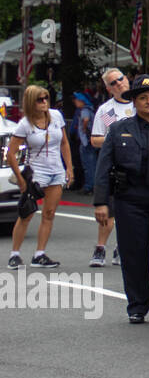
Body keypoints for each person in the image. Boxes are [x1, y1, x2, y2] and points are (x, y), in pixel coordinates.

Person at [93, 75, 149, 322]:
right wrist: (101, 202)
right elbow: (104, 167)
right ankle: (138, 305)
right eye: (143, 98)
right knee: (134, 254)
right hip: (130, 199)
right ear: (135, 102)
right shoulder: (119, 129)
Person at [6, 85, 72, 269]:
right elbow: (10, 154)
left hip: (56, 170)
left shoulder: (56, 116)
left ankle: (40, 253)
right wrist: (20, 179)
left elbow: (64, 143)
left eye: (46, 98)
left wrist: (69, 168)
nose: (44, 102)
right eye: (39, 99)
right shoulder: (24, 124)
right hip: (37, 172)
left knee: (49, 213)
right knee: (26, 213)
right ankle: (15, 254)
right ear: (31, 102)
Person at [89, 68, 135, 267]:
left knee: (132, 212)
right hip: (114, 166)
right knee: (108, 211)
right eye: (114, 83)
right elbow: (95, 139)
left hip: (137, 165)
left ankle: (122, 247)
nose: (119, 84)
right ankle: (100, 248)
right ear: (109, 89)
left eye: (121, 79)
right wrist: (116, 140)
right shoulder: (106, 111)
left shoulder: (141, 103)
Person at [73, 92, 96, 193]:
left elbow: (85, 119)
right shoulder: (91, 108)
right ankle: (93, 185)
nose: (75, 102)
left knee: (87, 165)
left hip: (85, 141)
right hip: (91, 140)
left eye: (77, 100)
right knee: (92, 164)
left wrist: (84, 128)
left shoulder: (85, 110)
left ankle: (89, 186)